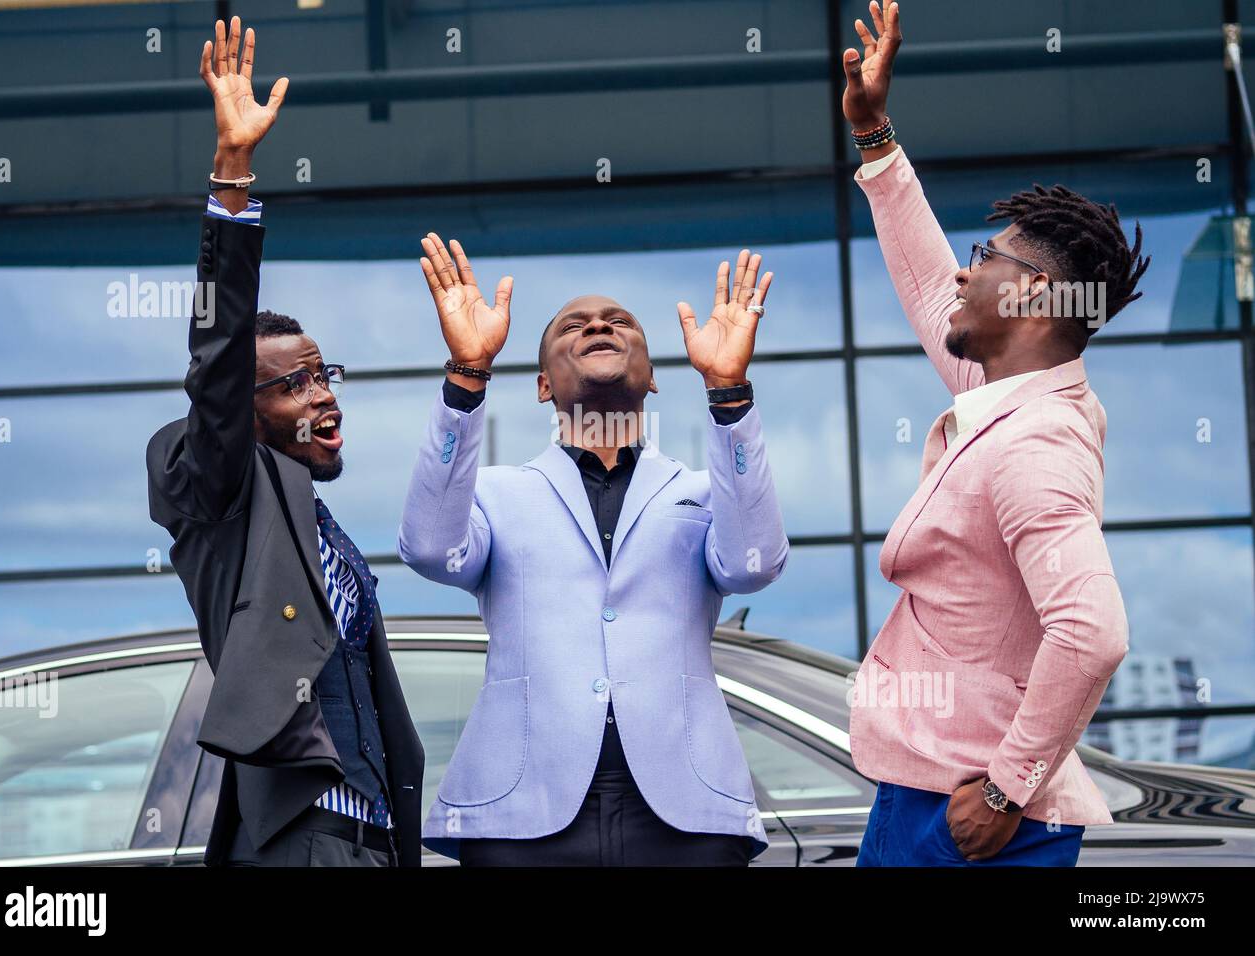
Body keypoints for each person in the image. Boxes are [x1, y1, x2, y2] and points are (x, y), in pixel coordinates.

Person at [842, 1, 1150, 866]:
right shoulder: (1011, 398)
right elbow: (928, 286)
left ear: (1031, 298)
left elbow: (1092, 628)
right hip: (935, 796)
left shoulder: (1034, 443)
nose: (968, 272)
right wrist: (877, 141)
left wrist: (1009, 788)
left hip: (974, 818)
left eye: (987, 259)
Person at [397, 234, 789, 865]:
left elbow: (756, 565)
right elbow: (427, 549)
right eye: (572, 326)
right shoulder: (497, 492)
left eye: (619, 323)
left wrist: (728, 390)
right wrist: (466, 377)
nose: (599, 324)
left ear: (654, 379)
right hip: (520, 817)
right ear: (544, 386)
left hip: (686, 817)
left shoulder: (699, 490)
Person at [145, 17, 423, 867]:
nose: (324, 395)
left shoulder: (320, 524)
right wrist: (233, 181)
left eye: (325, 374)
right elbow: (216, 362)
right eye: (296, 383)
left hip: (371, 839)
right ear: (244, 410)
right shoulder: (218, 489)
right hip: (305, 844)